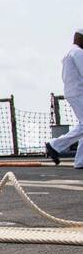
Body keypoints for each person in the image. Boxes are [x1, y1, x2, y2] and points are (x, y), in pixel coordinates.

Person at [45, 27, 83, 169]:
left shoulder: (69, 53)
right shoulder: (78, 53)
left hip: (72, 91)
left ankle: (81, 160)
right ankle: (55, 145)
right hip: (80, 92)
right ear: (79, 38)